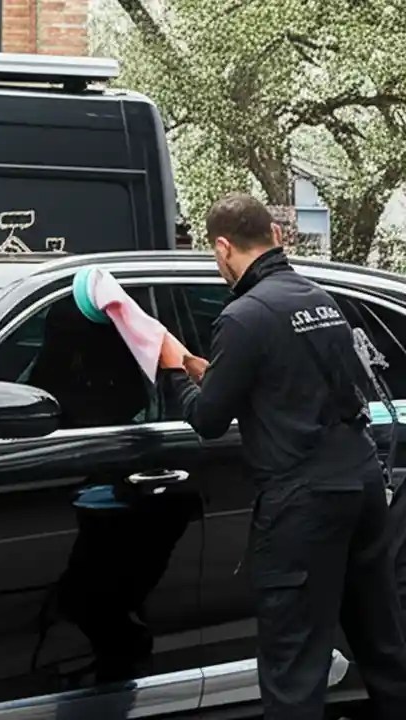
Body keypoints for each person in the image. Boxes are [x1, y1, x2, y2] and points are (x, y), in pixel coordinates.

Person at [160, 192, 406, 720]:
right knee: (383, 647)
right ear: (273, 235)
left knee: (294, 666)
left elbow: (207, 421)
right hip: (360, 487)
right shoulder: (317, 298)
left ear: (223, 247)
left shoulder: (243, 317)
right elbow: (302, 384)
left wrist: (173, 368)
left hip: (303, 503)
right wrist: (217, 375)